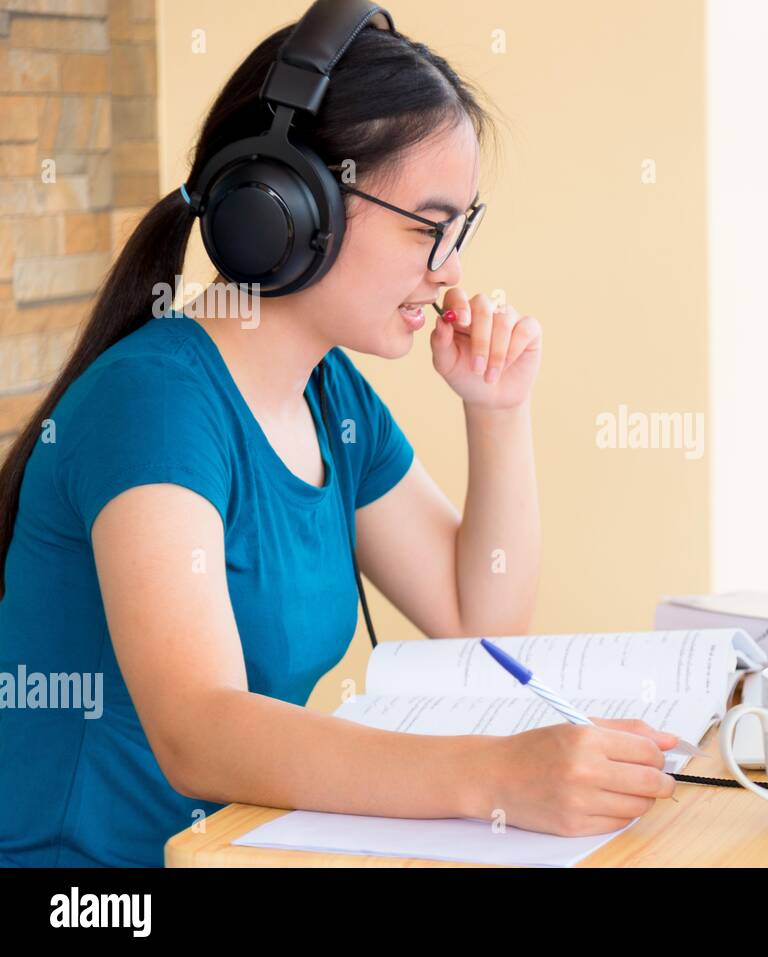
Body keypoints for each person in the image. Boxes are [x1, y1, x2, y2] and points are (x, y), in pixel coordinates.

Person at [0, 12, 675, 867]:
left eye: (461, 228)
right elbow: (199, 731)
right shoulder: (155, 404)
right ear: (282, 205)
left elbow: (482, 622)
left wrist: (497, 412)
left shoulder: (330, 397)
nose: (450, 267)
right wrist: (494, 777)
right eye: (428, 226)